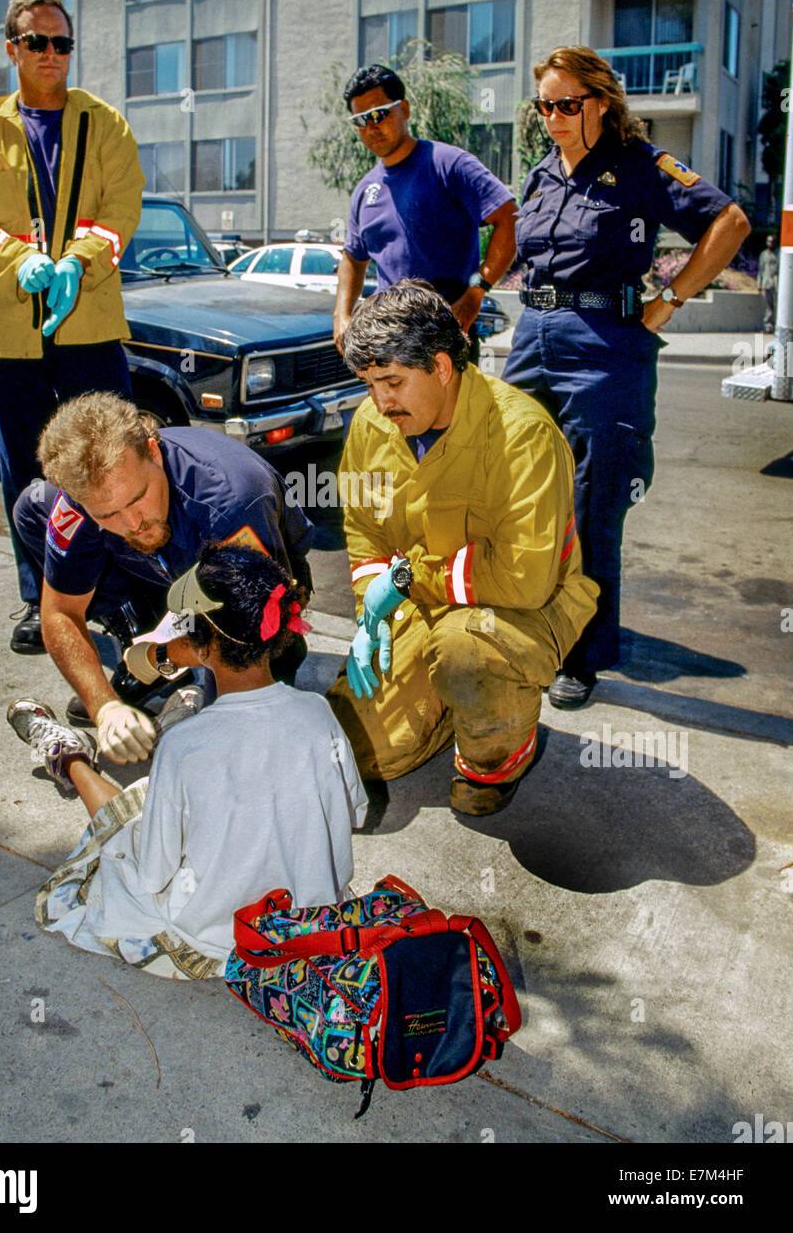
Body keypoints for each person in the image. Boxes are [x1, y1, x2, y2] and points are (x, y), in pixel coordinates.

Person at [502, 46, 750, 708]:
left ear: (601, 102)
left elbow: (729, 222)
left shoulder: (640, 168)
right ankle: (529, 619)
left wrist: (667, 300)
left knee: (591, 505)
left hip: (605, 345)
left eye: (566, 104)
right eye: (543, 106)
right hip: (531, 337)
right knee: (516, 491)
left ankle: (582, 654)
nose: (552, 118)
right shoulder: (539, 176)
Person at [7, 543, 368, 980]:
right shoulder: (318, 713)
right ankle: (105, 744)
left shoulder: (184, 749)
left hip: (213, 935)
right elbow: (356, 811)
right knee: (168, 799)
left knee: (128, 821)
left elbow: (154, 872)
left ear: (202, 645)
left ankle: (69, 756)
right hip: (309, 924)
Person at [326, 280, 599, 816]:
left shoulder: (523, 435)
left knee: (466, 653)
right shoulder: (369, 424)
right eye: (368, 383)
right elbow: (363, 529)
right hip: (427, 607)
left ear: (443, 367)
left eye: (392, 382)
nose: (380, 402)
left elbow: (524, 578)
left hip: (521, 609)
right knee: (349, 752)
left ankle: (496, 756)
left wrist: (404, 582)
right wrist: (371, 620)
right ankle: (450, 699)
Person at [0, 0, 144, 655]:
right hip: (8, 329)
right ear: (12, 50)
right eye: (38, 42)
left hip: (88, 321)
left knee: (112, 457)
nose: (52, 54)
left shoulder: (105, 124)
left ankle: (120, 596)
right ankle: (41, 599)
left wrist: (77, 262)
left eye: (62, 42)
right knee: (26, 468)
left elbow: (121, 208)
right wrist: (17, 258)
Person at [12, 392, 314, 766]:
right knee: (31, 505)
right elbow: (59, 613)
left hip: (255, 584)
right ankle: (135, 633)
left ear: (153, 451)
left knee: (234, 736)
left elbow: (256, 631)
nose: (131, 523)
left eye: (138, 497)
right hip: (166, 571)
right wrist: (103, 707)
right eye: (108, 514)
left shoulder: (229, 502)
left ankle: (162, 658)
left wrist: (162, 656)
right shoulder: (80, 503)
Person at [333, 63, 517, 350]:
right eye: (361, 120)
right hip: (388, 343)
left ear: (403, 109)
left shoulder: (448, 164)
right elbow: (353, 259)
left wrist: (476, 292)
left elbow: (508, 218)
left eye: (379, 114)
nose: (371, 128)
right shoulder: (365, 190)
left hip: (445, 339)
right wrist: (341, 315)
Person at [757, 235, 778, 334]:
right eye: (769, 241)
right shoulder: (763, 255)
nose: (770, 243)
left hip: (775, 285)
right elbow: (760, 270)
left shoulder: (778, 254)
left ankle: (775, 326)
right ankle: (768, 326)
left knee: (775, 306)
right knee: (768, 307)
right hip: (765, 283)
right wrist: (759, 284)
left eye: (772, 241)